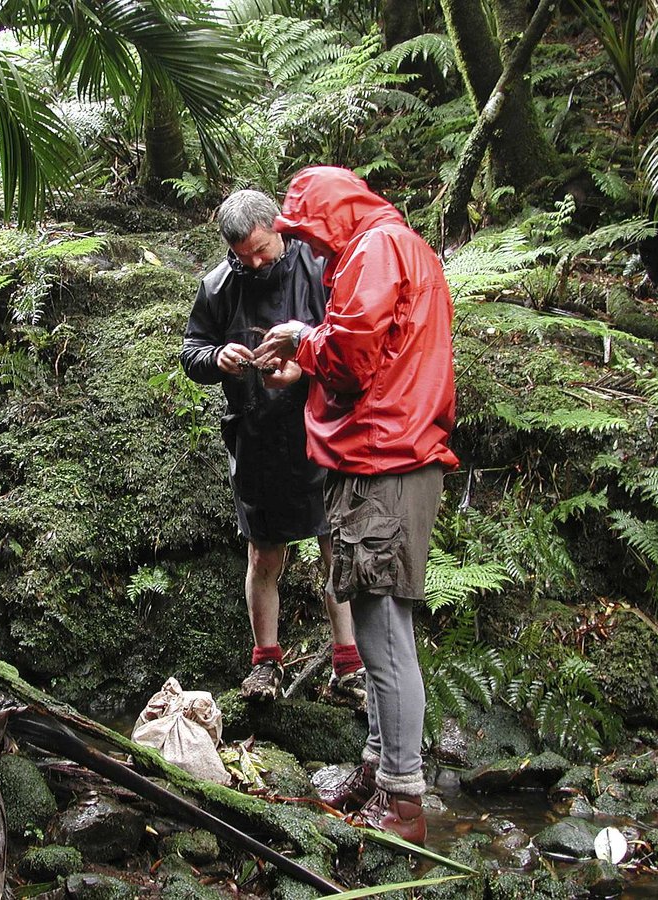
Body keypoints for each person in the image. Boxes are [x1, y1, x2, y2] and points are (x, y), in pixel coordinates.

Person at [253, 166, 458, 845]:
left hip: (386, 461)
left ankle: (403, 796)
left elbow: (351, 357)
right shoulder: (402, 247)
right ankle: (379, 763)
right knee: (379, 627)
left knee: (384, 631)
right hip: (387, 455)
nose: (308, 251)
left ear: (335, 218)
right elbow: (373, 351)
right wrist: (309, 354)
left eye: (310, 235)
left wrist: (297, 339)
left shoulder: (375, 248)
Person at [181, 189, 365, 707]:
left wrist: (304, 365)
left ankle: (347, 661)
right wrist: (219, 358)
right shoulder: (218, 286)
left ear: (278, 228)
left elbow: (345, 341)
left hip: (321, 428)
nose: (255, 263)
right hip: (256, 434)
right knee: (264, 553)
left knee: (336, 546)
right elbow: (191, 352)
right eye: (243, 255)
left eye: (262, 250)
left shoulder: (317, 265)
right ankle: (266, 662)